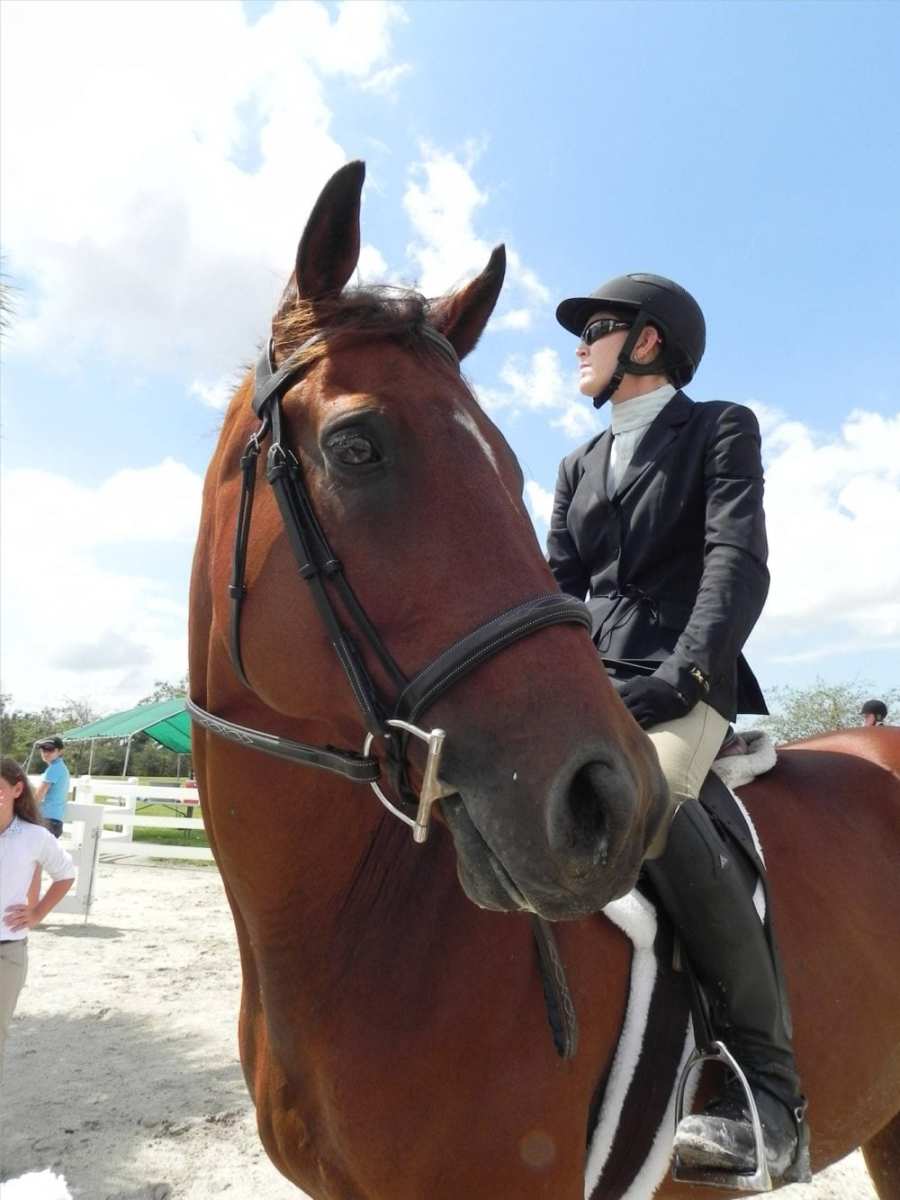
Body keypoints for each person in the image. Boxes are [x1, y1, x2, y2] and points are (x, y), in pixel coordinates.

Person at [548, 274, 808, 1185]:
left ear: (648, 343)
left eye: (599, 330)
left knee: (647, 797)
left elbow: (737, 560)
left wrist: (685, 674)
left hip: (682, 676)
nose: (580, 345)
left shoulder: (720, 428)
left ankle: (768, 1096)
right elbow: (558, 587)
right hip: (591, 680)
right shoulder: (578, 463)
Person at [0, 756, 76, 1068]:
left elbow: (65, 873)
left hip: (7, 953)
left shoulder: (34, 837)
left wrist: (37, 914)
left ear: (17, 790)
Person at [34, 735, 70, 837]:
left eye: (50, 749)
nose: (46, 752)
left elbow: (39, 795)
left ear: (60, 751)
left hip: (48, 821)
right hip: (54, 821)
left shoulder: (54, 768)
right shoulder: (60, 767)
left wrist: (26, 809)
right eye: (43, 749)